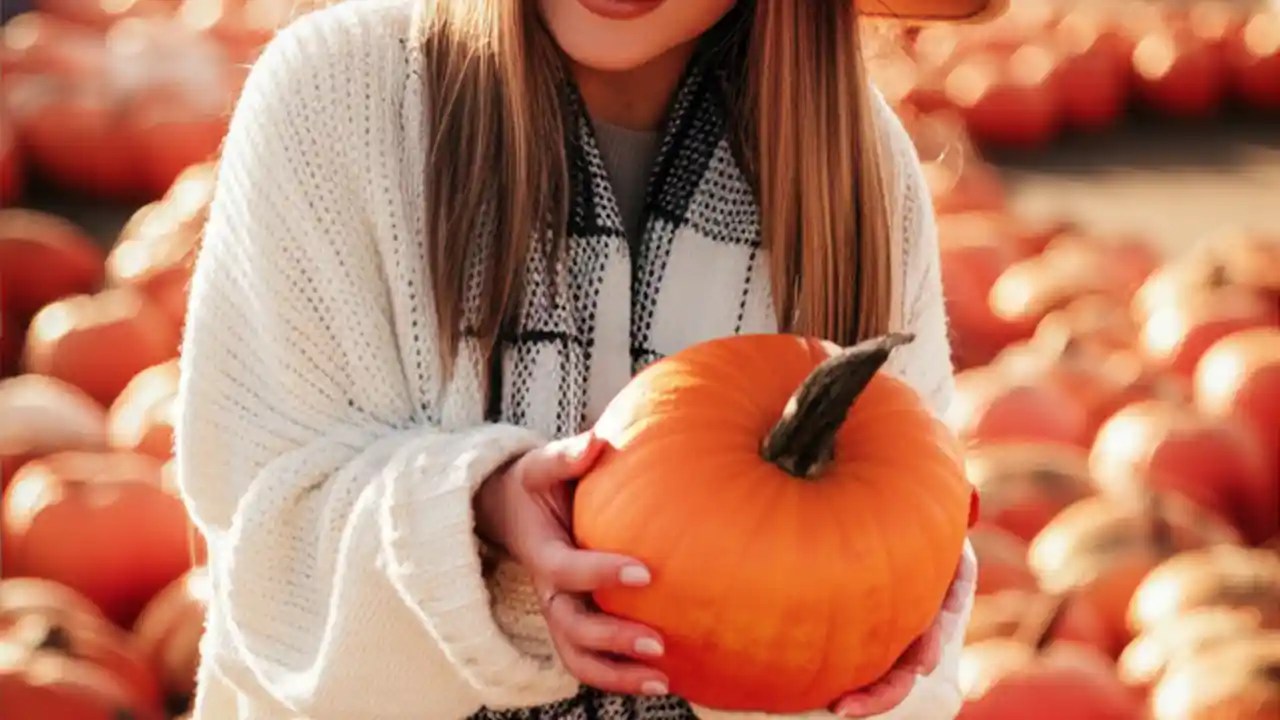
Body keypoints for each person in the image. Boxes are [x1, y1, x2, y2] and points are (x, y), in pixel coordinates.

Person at [175, 0, 981, 718]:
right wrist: (476, 527)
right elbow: (266, 553)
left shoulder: (857, 173)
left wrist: (887, 622)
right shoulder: (340, 100)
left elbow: (897, 517)